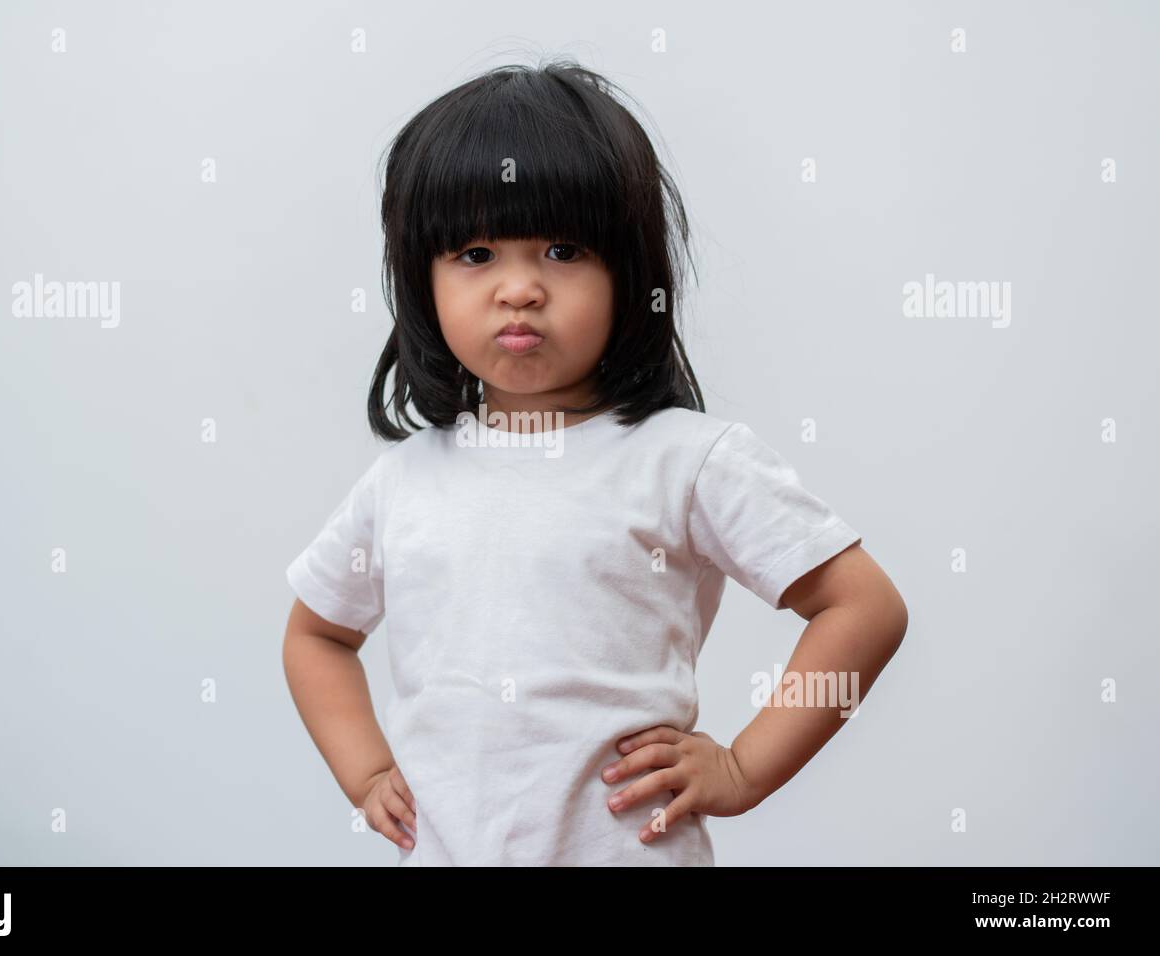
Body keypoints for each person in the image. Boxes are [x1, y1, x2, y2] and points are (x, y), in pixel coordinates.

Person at [282, 59, 908, 866]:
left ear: (630, 271)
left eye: (562, 249)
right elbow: (316, 636)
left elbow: (864, 608)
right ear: (421, 279)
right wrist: (367, 773)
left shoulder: (683, 461)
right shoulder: (403, 483)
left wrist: (745, 767)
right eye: (475, 254)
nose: (519, 289)